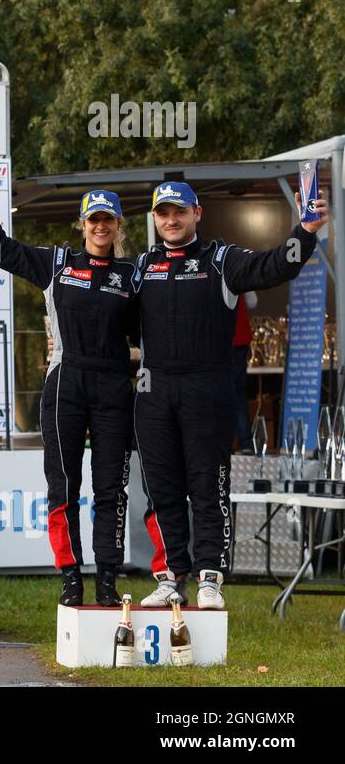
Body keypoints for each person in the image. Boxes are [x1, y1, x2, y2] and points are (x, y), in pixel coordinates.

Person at [135, 181, 327, 610]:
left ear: (196, 214)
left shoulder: (223, 260)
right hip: (155, 394)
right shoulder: (142, 268)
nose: (171, 220)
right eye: (163, 212)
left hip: (207, 391)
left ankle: (209, 578)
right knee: (161, 491)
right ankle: (169, 578)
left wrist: (306, 231)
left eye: (179, 212)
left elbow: (277, 265)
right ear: (154, 218)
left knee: (208, 488)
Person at [0, 180, 139, 606]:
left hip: (114, 385)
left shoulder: (132, 276)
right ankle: (70, 576)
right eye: (93, 220)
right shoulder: (59, 262)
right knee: (63, 485)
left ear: (118, 225)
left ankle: (106, 577)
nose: (100, 227)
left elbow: (153, 332)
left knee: (110, 489)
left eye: (108, 220)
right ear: (83, 223)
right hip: (66, 381)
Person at [232, 292, 256, 453]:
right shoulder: (240, 269)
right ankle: (246, 442)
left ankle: (225, 443)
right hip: (240, 337)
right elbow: (252, 301)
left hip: (217, 338)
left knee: (219, 392)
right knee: (238, 393)